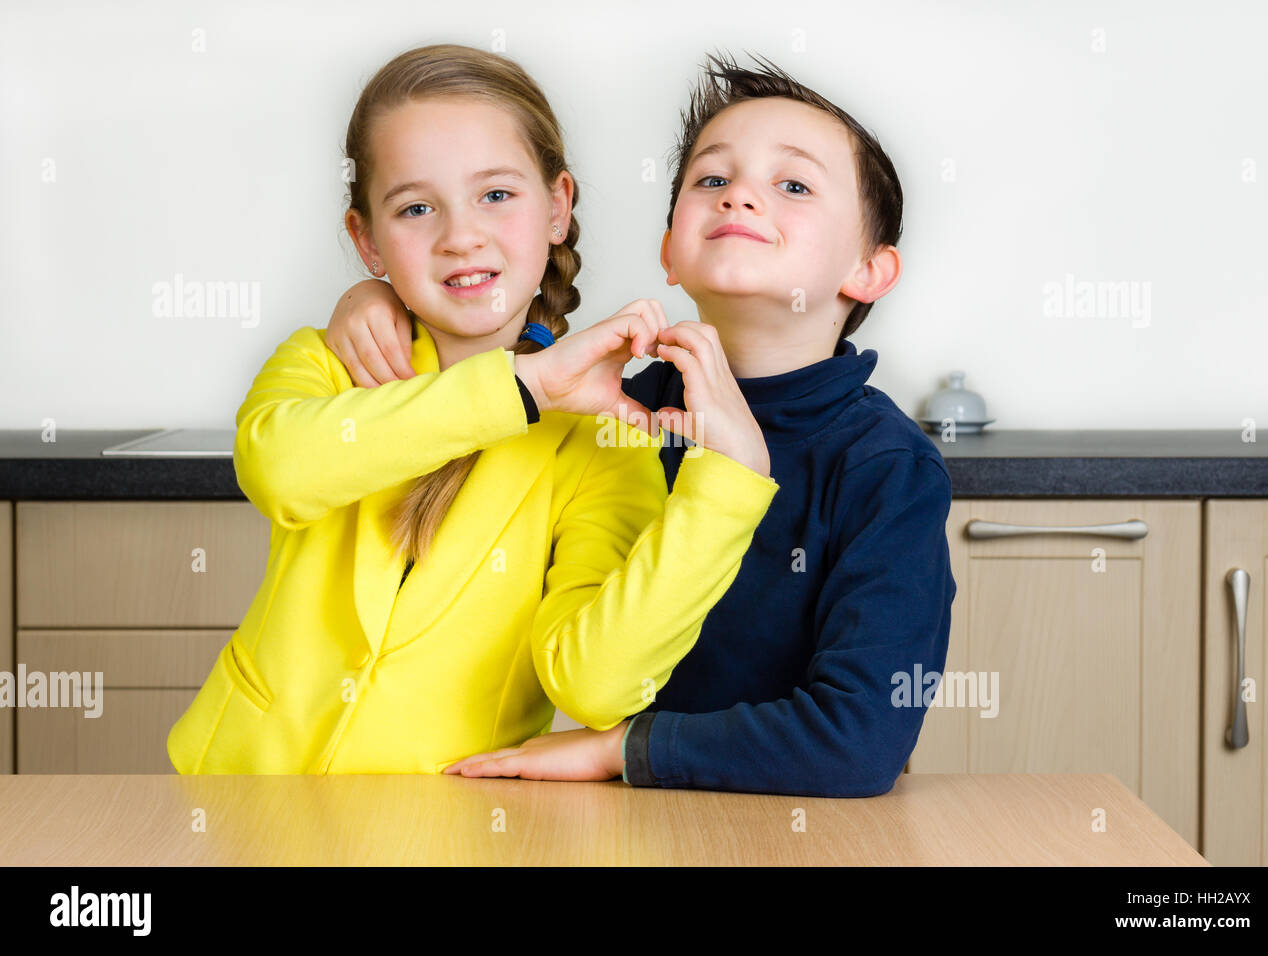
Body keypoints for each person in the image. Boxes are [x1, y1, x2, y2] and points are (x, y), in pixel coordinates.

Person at [325, 51, 956, 798]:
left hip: (811, 828)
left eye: (792, 185)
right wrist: (380, 304)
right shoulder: (607, 413)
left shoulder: (887, 469)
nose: (740, 198)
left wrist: (624, 749)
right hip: (627, 820)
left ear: (870, 270)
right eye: (712, 180)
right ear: (669, 252)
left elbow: (857, 739)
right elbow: (491, 390)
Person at [165, 44, 778, 775]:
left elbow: (596, 683)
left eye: (496, 195)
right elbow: (279, 471)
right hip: (238, 796)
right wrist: (519, 390)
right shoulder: (326, 361)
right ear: (368, 241)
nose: (460, 236)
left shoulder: (596, 442)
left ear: (557, 208)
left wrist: (728, 490)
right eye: (417, 207)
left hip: (442, 830)